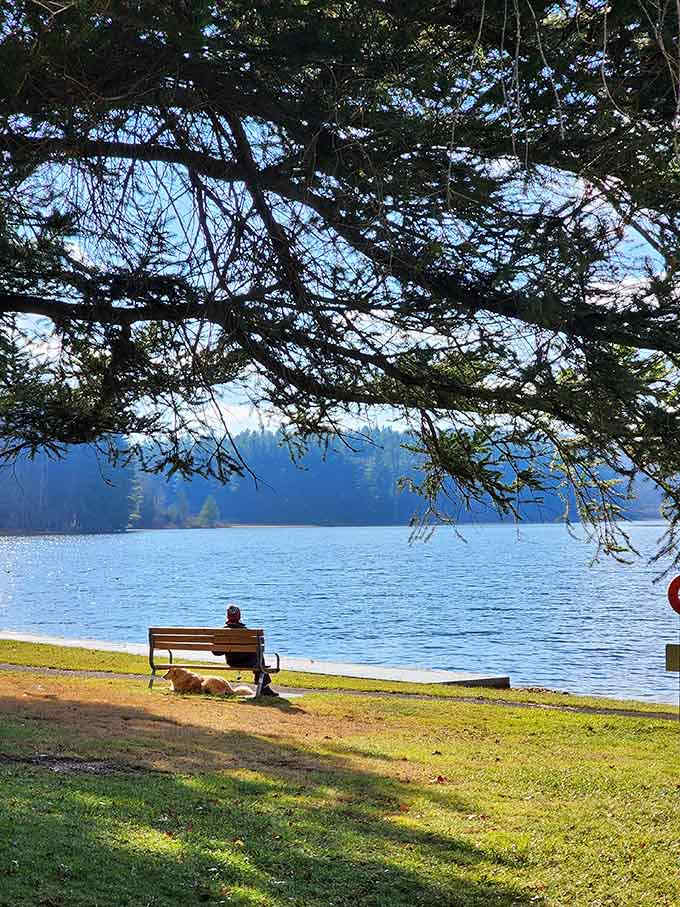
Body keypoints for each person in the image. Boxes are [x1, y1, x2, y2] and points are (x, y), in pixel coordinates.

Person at [213, 604, 278, 696]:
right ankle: (264, 688)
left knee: (258, 659)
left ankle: (264, 685)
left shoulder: (222, 633)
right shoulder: (247, 632)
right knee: (259, 658)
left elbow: (216, 652)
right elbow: (259, 649)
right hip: (247, 662)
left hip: (232, 662)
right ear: (239, 616)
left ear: (227, 616)